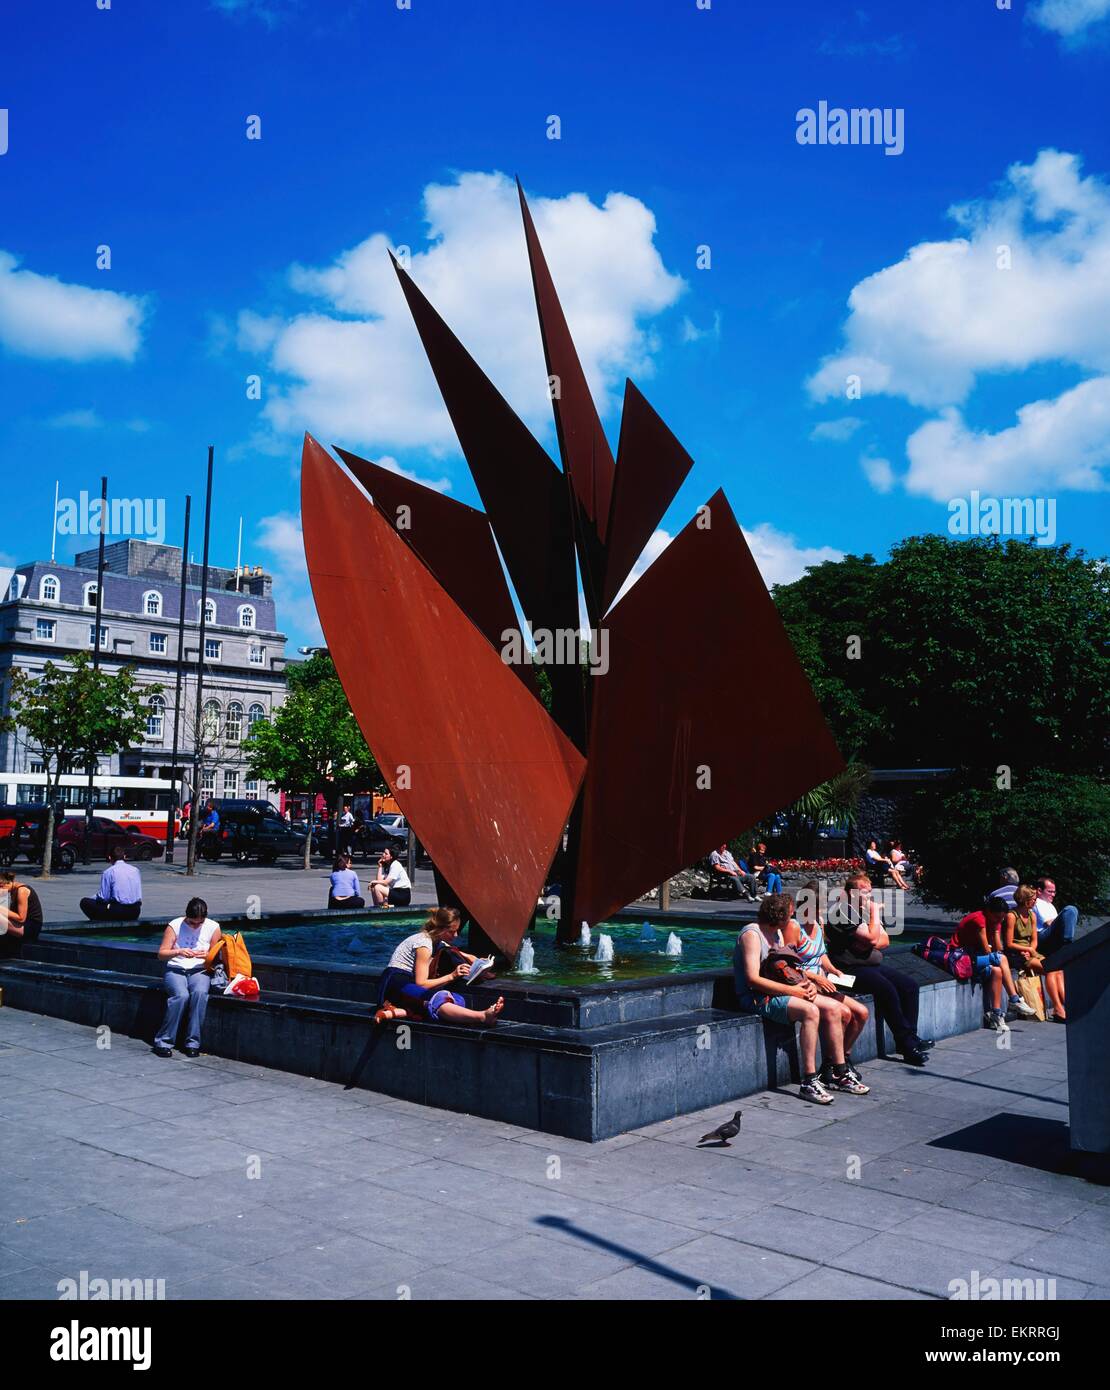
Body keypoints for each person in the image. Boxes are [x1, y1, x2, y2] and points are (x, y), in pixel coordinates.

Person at [733, 892, 867, 1104]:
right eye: (790, 913)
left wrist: (805, 984)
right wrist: (794, 992)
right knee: (810, 1011)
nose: (793, 917)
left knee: (834, 1008)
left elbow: (785, 968)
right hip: (757, 997)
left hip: (780, 991)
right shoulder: (752, 934)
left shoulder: (776, 933)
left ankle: (839, 1071)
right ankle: (809, 1081)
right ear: (781, 915)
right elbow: (752, 980)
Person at [824, 871, 933, 1065]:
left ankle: (910, 1038)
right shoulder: (841, 913)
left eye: (868, 892)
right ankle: (907, 1045)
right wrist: (874, 918)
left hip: (869, 965)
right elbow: (875, 938)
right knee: (886, 989)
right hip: (846, 971)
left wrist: (867, 939)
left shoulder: (862, 913)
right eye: (862, 892)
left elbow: (884, 941)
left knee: (909, 986)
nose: (867, 897)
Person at [784, 880, 871, 1092]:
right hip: (804, 984)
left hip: (823, 982)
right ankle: (839, 1071)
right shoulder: (794, 927)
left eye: (820, 906)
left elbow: (821, 954)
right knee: (842, 1012)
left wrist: (833, 970)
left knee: (862, 1012)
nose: (818, 911)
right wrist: (815, 978)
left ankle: (832, 1064)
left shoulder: (819, 923)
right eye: (815, 906)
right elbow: (786, 966)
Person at [374, 906, 504, 1025]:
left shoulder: (436, 940)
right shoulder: (424, 945)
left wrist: (477, 963)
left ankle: (402, 1012)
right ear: (440, 929)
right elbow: (421, 983)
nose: (456, 935)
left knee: (457, 999)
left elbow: (457, 952)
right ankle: (482, 1016)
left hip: (408, 983)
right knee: (436, 999)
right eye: (452, 932)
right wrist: (452, 976)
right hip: (397, 982)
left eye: (457, 931)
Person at [152, 897, 222, 1058]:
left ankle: (193, 1043)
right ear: (186, 916)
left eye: (200, 923)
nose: (196, 925)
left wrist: (208, 956)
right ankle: (163, 1041)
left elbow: (217, 956)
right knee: (180, 996)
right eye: (192, 922)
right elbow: (161, 954)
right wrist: (179, 951)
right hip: (176, 969)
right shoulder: (175, 925)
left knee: (200, 994)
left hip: (200, 970)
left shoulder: (213, 927)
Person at [953, 898, 1034, 1031]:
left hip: (974, 958)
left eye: (1001, 918)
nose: (999, 920)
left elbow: (997, 948)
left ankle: (996, 1014)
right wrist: (997, 953)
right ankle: (1014, 999)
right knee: (1001, 959)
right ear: (988, 911)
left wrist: (997, 930)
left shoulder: (995, 920)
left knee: (997, 971)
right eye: (997, 917)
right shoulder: (979, 919)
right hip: (961, 958)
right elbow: (986, 949)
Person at [1032, 876, 1077, 1022]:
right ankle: (1067, 943)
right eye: (1050, 891)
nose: (1053, 894)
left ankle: (1064, 1006)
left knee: (1058, 971)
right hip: (1042, 938)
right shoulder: (1038, 903)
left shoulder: (1050, 905)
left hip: (1052, 939)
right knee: (1071, 910)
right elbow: (1049, 924)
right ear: (1039, 891)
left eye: (1054, 892)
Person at [1002, 885, 1046, 1017]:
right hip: (1016, 953)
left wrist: (1031, 949)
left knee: (1056, 969)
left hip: (1029, 951)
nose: (1035, 901)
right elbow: (1009, 943)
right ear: (1025, 900)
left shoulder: (1032, 915)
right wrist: (1027, 949)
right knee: (1046, 968)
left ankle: (1060, 1005)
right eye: (1033, 899)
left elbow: (1034, 939)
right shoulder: (1012, 916)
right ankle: (1058, 1009)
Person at [78, 843, 143, 921]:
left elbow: (104, 897)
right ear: (124, 857)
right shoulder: (135, 870)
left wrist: (93, 898)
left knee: (85, 902)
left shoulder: (109, 872)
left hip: (118, 911)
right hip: (135, 911)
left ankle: (99, 921)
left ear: (110, 858)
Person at [0, 866, 44, 960]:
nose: (0, 889)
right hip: (20, 925)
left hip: (30, 928)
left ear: (9, 882)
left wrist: (2, 910)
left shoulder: (22, 890)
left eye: (1, 886)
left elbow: (21, 918)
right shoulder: (10, 890)